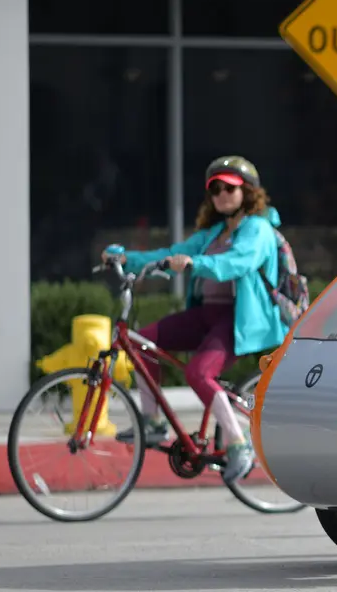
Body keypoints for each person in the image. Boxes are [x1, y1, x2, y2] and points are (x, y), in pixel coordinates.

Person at [101, 156, 290, 484]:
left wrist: (194, 264)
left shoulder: (258, 229)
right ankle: (152, 422)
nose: (221, 195)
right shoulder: (213, 233)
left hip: (238, 319)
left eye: (229, 188)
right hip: (206, 314)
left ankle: (238, 443)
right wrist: (125, 259)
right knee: (140, 343)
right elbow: (168, 253)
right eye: (214, 189)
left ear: (247, 191)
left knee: (199, 373)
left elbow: (238, 263)